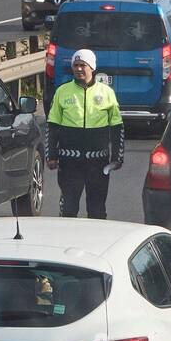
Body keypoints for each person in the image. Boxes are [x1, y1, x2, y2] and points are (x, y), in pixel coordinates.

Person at [45, 48, 124, 219]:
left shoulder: (107, 93)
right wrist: (51, 155)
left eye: (83, 65)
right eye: (76, 65)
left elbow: (117, 127)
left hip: (98, 163)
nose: (79, 69)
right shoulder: (62, 91)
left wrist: (118, 156)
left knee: (97, 210)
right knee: (69, 209)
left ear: (92, 68)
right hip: (69, 163)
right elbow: (52, 126)